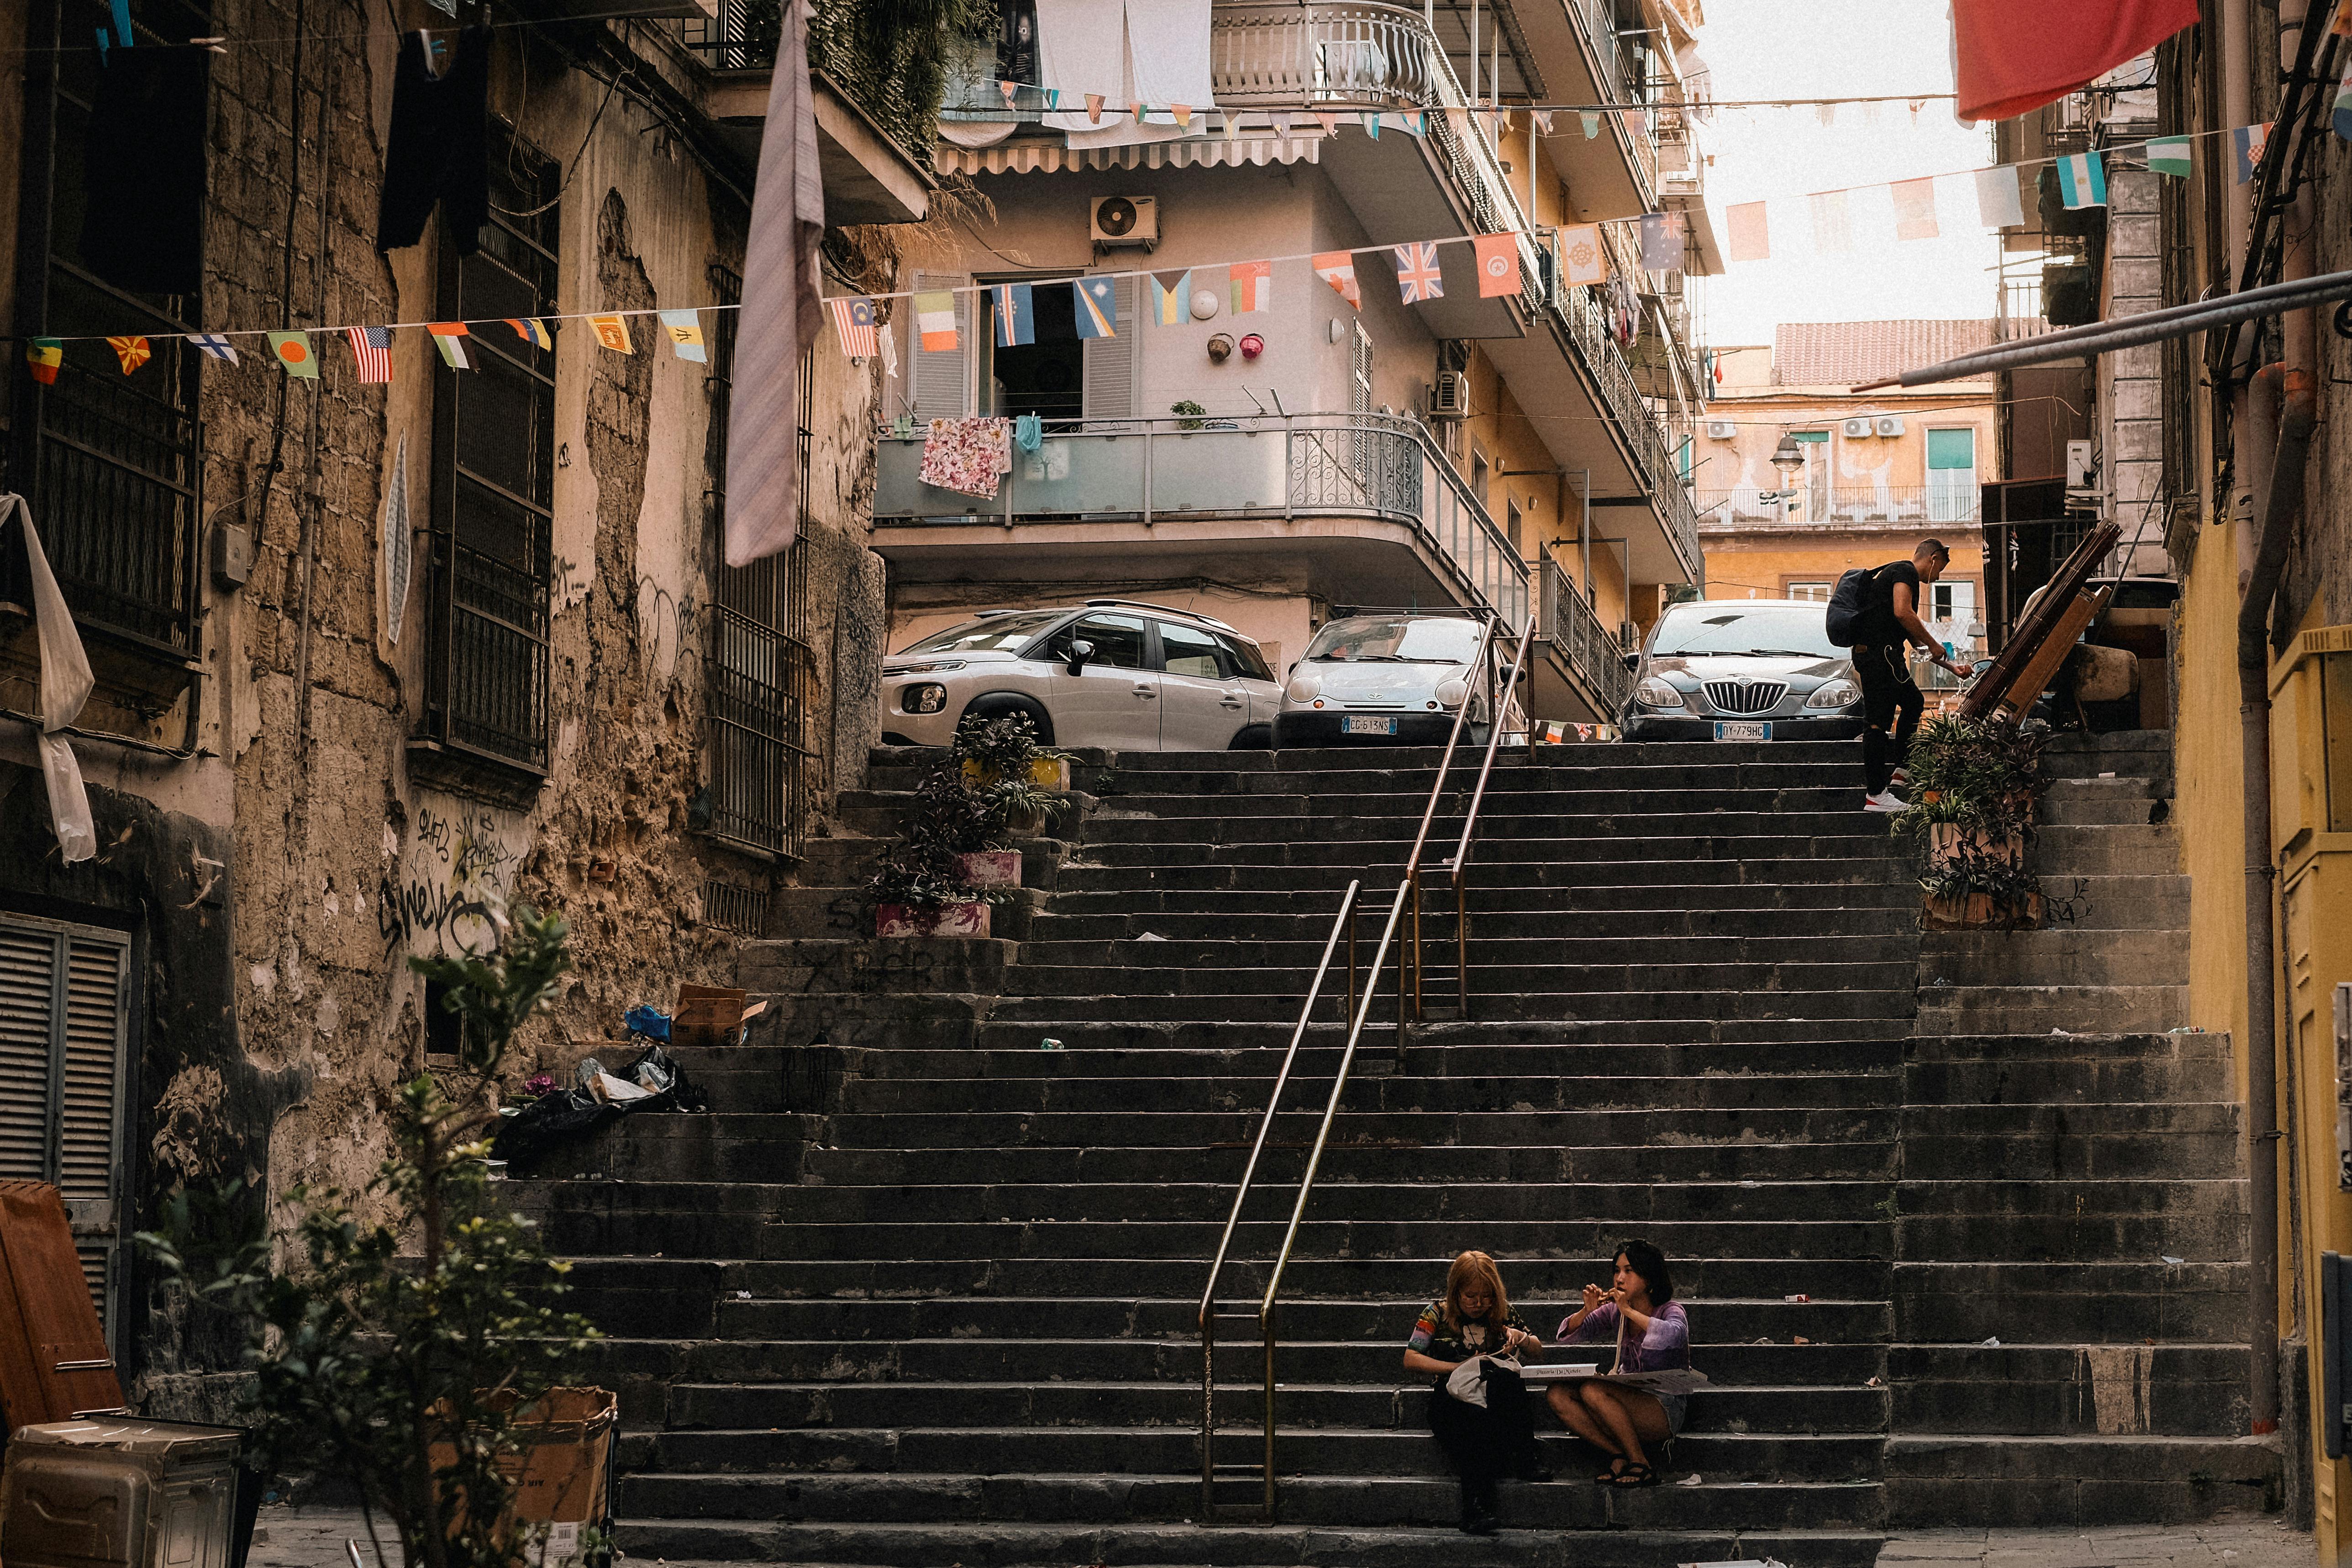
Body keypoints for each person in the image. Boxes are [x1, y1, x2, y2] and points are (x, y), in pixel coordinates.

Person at [1403, 1250, 1550, 1534]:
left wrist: (1519, 1337)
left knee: (1509, 1379)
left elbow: (1538, 1348)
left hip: (1494, 1398)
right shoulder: (1436, 1313)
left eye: (1486, 1296)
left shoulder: (1502, 1312)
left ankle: (1525, 1456)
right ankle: (1475, 1508)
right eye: (1471, 1296)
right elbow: (1411, 1358)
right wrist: (1458, 1366)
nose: (1479, 1303)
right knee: (1472, 1427)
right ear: (1456, 1292)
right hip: (1452, 1395)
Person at [1548, 1240, 1692, 1488]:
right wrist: (1586, 1310)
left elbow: (1674, 1336)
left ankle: (1641, 1463)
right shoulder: (1615, 1312)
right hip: (1624, 1400)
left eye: (1629, 1271)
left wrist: (1629, 1311)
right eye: (1616, 1271)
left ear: (1649, 1278)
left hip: (1664, 1407)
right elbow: (1567, 1334)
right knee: (1557, 1394)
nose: (1620, 1278)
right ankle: (1619, 1454)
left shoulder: (1670, 1310)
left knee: (1592, 1390)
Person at [1852, 539, 1975, 814]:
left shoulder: (1899, 578)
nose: (1939, 576)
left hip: (1886, 657)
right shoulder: (1905, 571)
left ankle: (1901, 770)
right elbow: (1903, 612)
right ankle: (1875, 795)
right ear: (1933, 558)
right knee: (1877, 723)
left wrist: (1952, 667)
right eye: (1941, 568)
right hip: (1877, 657)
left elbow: (1914, 638)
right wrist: (1933, 643)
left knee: (1913, 702)